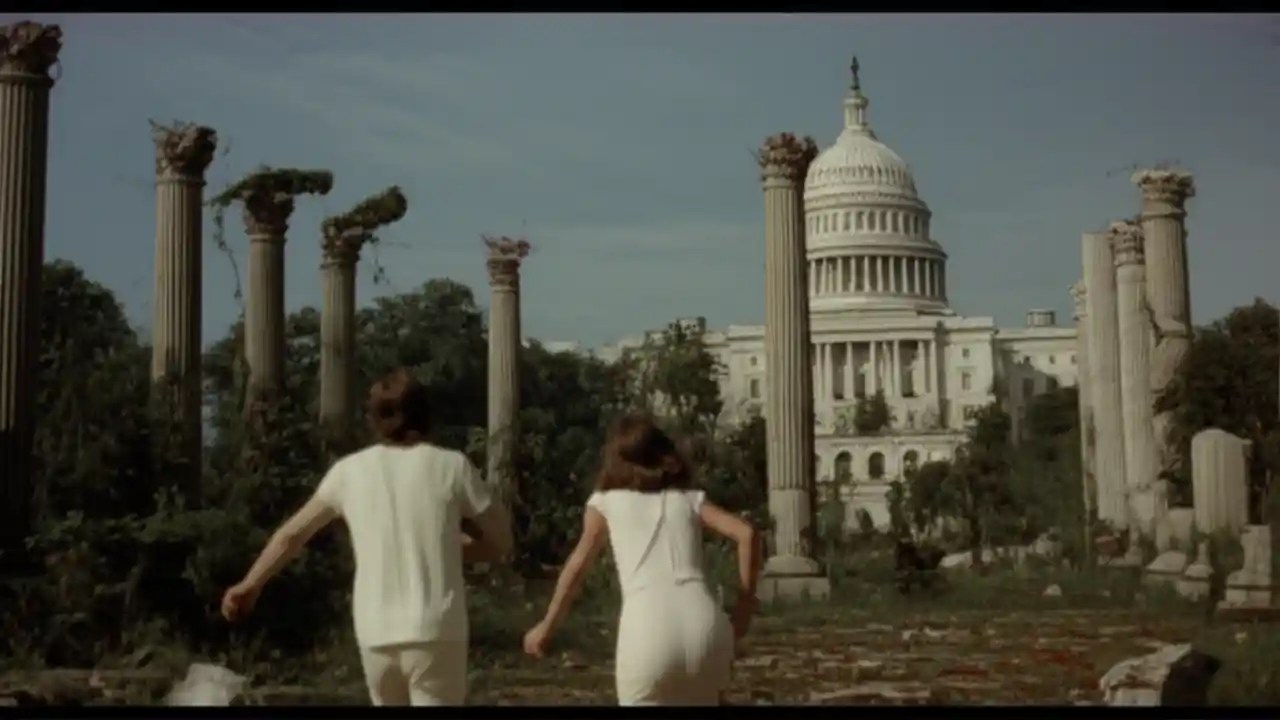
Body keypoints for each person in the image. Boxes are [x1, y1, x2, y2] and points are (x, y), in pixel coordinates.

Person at [220, 367, 512, 706]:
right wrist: (450, 546)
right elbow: (501, 540)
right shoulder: (452, 466)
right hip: (435, 631)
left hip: (375, 632)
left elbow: (292, 535)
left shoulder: (348, 472)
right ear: (425, 414)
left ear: (375, 419)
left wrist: (250, 584)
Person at [522, 413, 760, 705]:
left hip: (647, 629)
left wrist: (546, 627)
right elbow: (746, 534)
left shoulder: (606, 502)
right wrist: (744, 608)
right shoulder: (688, 499)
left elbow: (577, 568)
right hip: (706, 627)